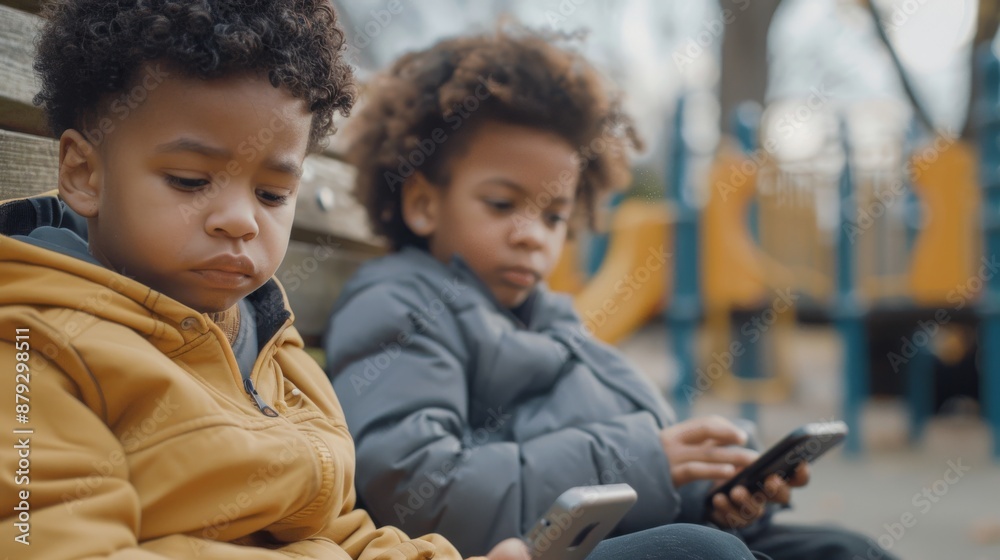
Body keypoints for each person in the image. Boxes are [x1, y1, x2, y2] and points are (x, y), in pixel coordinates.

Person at [323, 28, 897, 560]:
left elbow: (636, 473)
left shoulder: (548, 319)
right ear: (423, 203)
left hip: (599, 536)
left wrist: (710, 490)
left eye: (553, 216)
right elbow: (420, 492)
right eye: (501, 204)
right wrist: (646, 460)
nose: (531, 236)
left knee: (847, 551)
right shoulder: (397, 304)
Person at [0, 2, 528, 558]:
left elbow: (333, 529)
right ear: (85, 174)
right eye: (189, 180)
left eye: (273, 194)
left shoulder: (270, 344)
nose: (242, 220)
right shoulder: (34, 349)